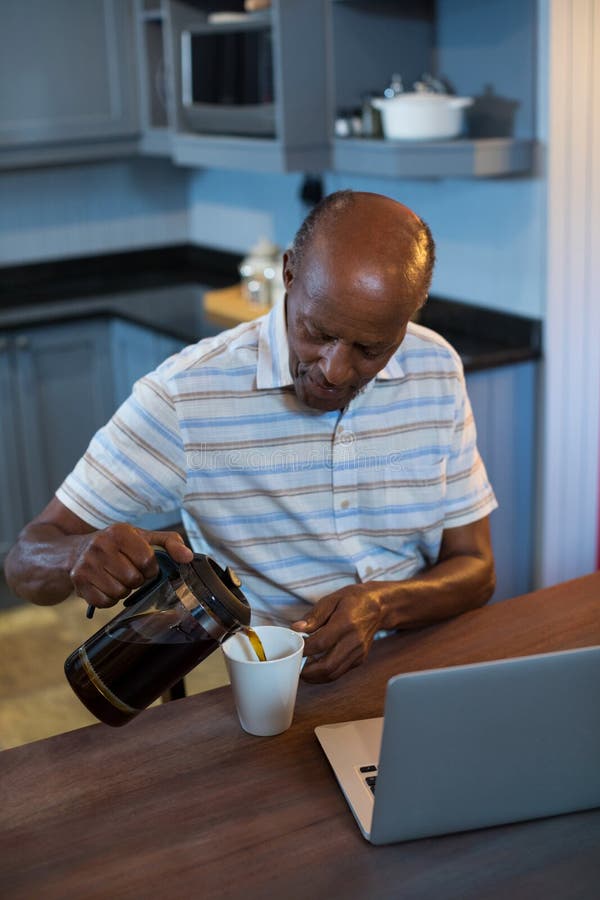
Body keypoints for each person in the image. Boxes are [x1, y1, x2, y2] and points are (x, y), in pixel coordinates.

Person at [5, 190, 497, 683]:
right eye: (319, 333)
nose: (335, 370)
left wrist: (383, 605)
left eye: (372, 349)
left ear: (408, 319)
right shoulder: (187, 395)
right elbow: (25, 561)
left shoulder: (435, 367)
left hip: (427, 665)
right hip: (285, 689)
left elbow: (476, 568)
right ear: (288, 275)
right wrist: (76, 555)